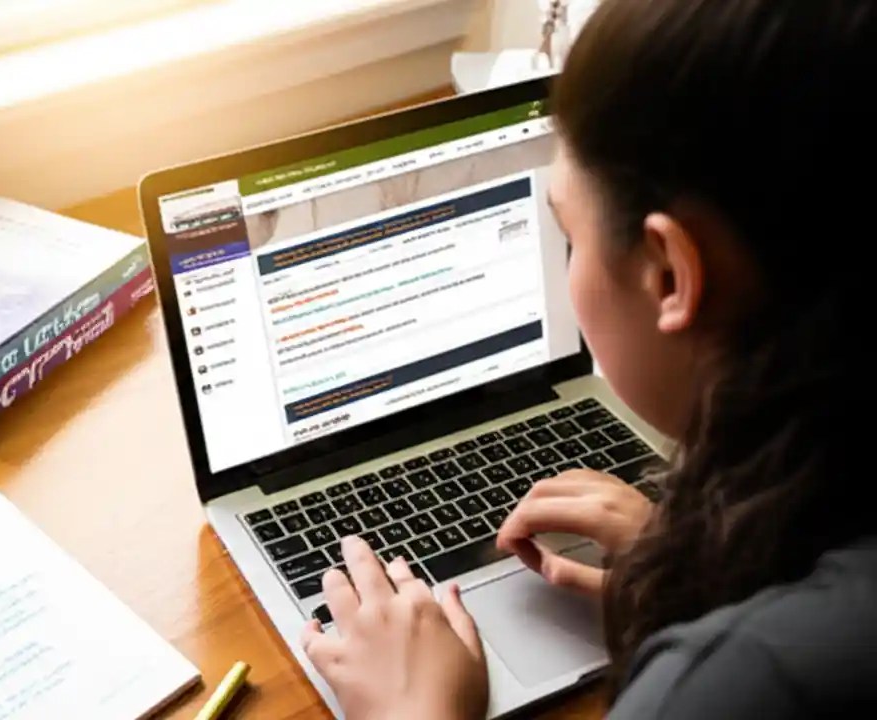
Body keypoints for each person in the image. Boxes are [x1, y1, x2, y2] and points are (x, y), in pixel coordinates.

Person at [300, 1, 876, 717]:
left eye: (568, 232)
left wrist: (414, 710)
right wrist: (696, 565)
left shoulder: (731, 685)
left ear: (669, 274)